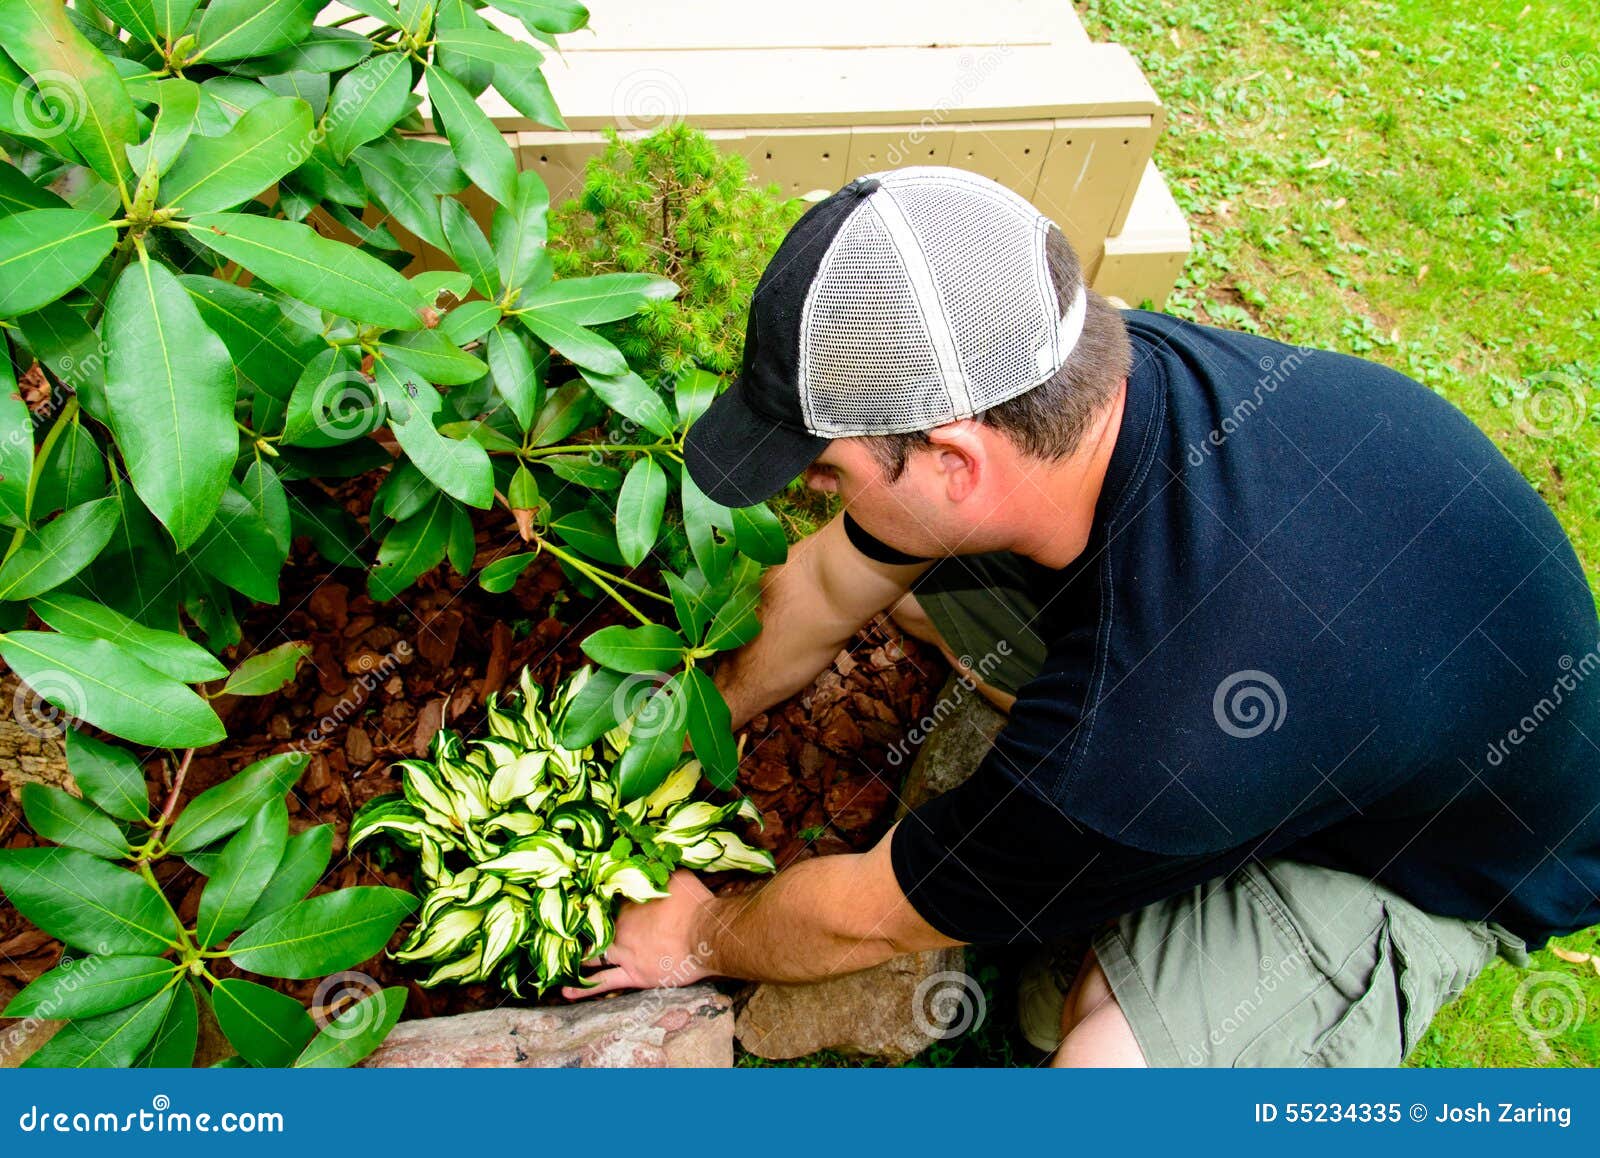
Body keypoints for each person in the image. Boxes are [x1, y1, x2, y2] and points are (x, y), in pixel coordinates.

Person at [562, 166, 1600, 1067]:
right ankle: (1120, 878)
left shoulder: (1145, 735)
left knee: (1097, 1071)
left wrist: (696, 934)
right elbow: (831, 585)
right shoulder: (1068, 376)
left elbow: (873, 921)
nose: (815, 493)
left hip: (1428, 862)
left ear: (955, 461)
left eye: (826, 471)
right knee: (918, 590)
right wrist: (679, 731)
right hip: (1340, 692)